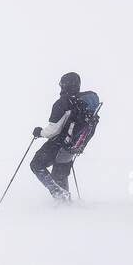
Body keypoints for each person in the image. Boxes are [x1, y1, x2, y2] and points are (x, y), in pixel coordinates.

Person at [29, 72, 83, 203]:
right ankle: (66, 208)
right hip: (72, 147)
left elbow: (53, 131)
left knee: (36, 164)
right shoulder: (80, 103)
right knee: (60, 174)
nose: (61, 87)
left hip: (59, 144)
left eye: (62, 84)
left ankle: (60, 196)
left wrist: (40, 132)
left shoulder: (62, 103)